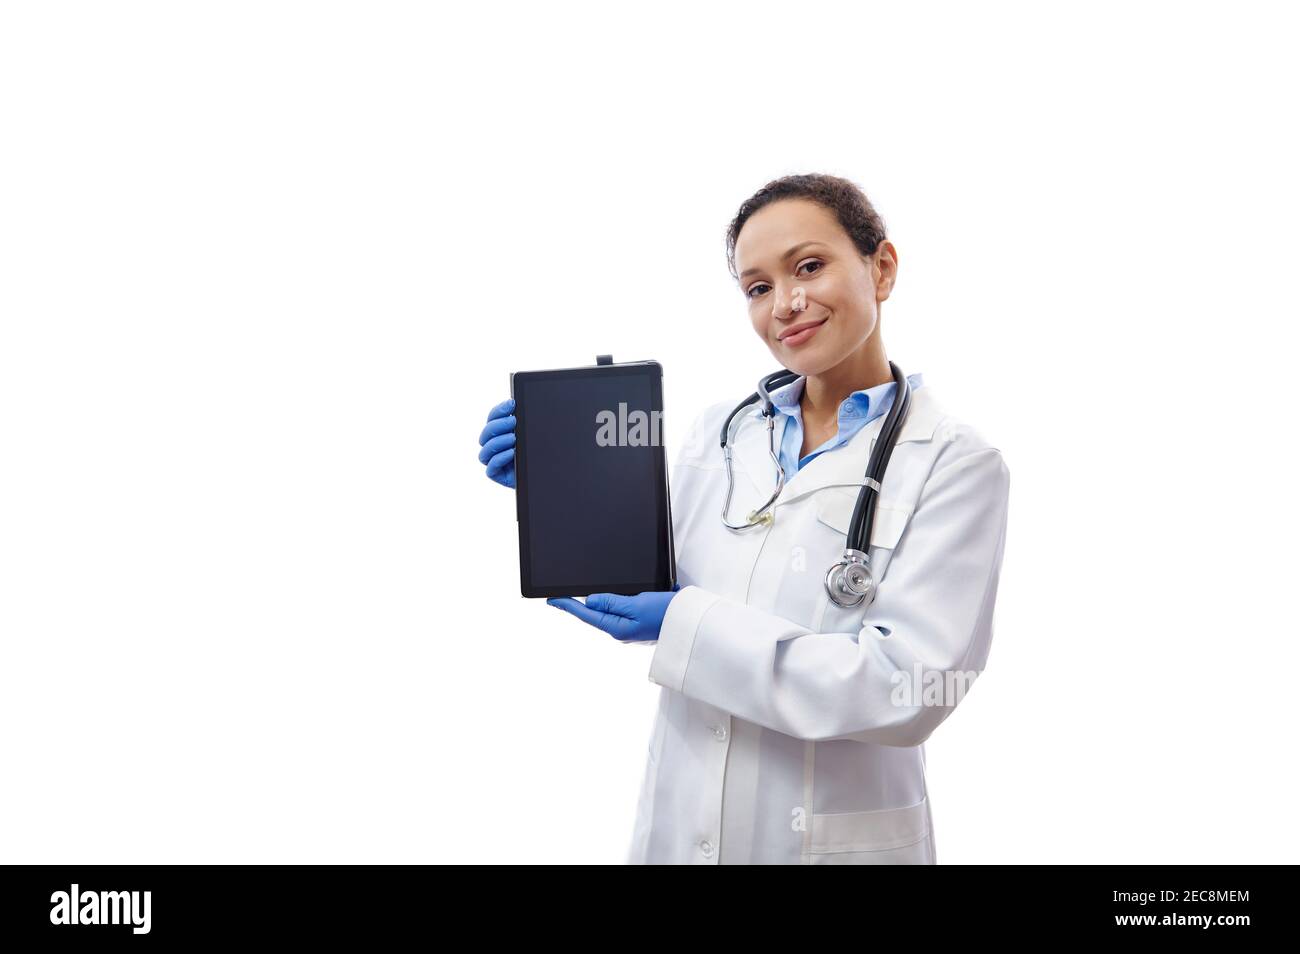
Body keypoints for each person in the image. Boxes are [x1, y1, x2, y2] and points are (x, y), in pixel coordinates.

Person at [477, 173, 1010, 864]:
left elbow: (906, 689)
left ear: (881, 267)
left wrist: (685, 625)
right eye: (757, 288)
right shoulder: (719, 436)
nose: (785, 304)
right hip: (682, 822)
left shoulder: (956, 463)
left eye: (809, 267)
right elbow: (654, 580)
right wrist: (563, 488)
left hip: (832, 840)